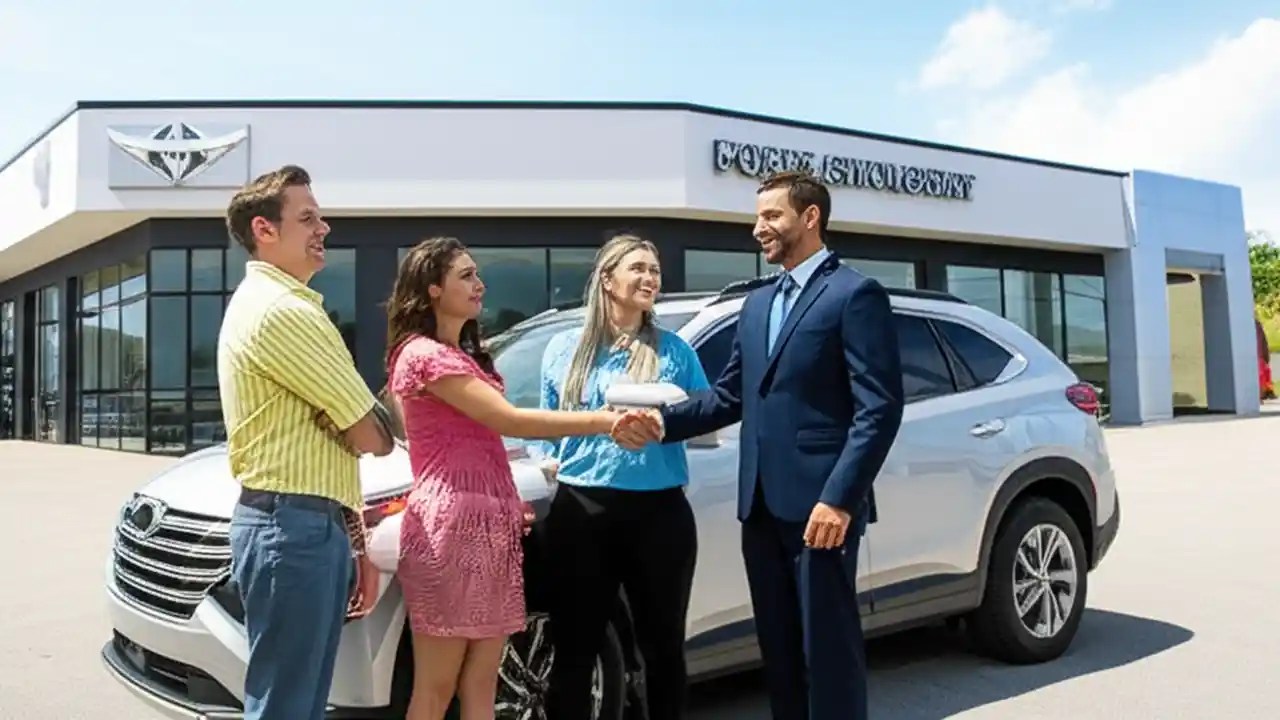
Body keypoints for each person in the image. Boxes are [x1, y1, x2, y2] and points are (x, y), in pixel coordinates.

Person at [619, 171, 905, 720]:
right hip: (761, 509)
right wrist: (659, 423)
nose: (759, 229)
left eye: (771, 216)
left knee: (828, 652)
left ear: (810, 217)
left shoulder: (854, 294)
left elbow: (879, 409)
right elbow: (729, 396)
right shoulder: (757, 305)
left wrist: (840, 498)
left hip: (822, 509)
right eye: (758, 217)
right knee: (779, 654)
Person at [383, 236, 658, 720]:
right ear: (430, 289)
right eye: (465, 275)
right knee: (435, 685)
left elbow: (481, 438)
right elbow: (509, 419)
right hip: (450, 526)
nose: (479, 284)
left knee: (482, 680)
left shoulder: (461, 354)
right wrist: (603, 420)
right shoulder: (424, 355)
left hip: (490, 526)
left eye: (477, 273)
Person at [218, 164, 395, 720]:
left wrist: (356, 543)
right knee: (288, 706)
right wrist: (355, 421)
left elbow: (359, 431)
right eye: (307, 218)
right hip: (292, 531)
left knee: (297, 702)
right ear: (264, 230)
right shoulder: (285, 312)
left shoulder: (277, 304)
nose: (324, 228)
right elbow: (375, 435)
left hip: (302, 525)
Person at [536, 233, 710, 719]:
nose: (650, 277)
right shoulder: (562, 349)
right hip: (580, 512)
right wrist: (544, 459)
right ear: (607, 279)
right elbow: (544, 429)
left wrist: (662, 426)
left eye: (654, 270)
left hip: (659, 515)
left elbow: (704, 421)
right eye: (638, 268)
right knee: (574, 648)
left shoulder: (676, 352)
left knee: (663, 650)